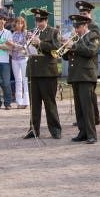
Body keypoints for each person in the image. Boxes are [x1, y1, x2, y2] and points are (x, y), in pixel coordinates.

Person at [24, 8, 62, 139]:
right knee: (34, 104)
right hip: (33, 71)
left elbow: (56, 49)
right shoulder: (32, 32)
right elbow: (27, 49)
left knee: (49, 103)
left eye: (40, 20)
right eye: (36, 20)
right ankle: (33, 130)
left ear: (46, 20)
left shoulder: (53, 32)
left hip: (47, 72)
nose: (38, 23)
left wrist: (40, 43)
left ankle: (55, 130)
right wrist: (28, 43)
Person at [67, 14, 100, 144]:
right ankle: (82, 132)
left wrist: (73, 46)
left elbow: (91, 51)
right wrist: (66, 48)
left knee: (87, 107)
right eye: (75, 26)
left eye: (79, 26)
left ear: (85, 25)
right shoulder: (77, 38)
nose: (76, 29)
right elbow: (68, 57)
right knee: (79, 107)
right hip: (76, 74)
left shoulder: (93, 36)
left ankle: (92, 134)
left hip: (87, 76)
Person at [75, 0, 100, 126]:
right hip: (79, 66)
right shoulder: (78, 26)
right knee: (87, 96)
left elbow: (92, 49)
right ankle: (90, 118)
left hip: (90, 65)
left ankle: (92, 117)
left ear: (90, 14)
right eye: (81, 13)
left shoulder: (93, 27)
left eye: (85, 13)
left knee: (89, 96)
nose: (83, 16)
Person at [10, 16, 30, 109]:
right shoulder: (13, 34)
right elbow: (11, 47)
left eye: (21, 23)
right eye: (18, 23)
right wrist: (15, 46)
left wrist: (14, 45)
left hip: (23, 58)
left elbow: (24, 46)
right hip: (14, 58)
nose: (19, 25)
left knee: (25, 79)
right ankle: (19, 101)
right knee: (18, 80)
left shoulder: (26, 33)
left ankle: (26, 101)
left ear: (23, 24)